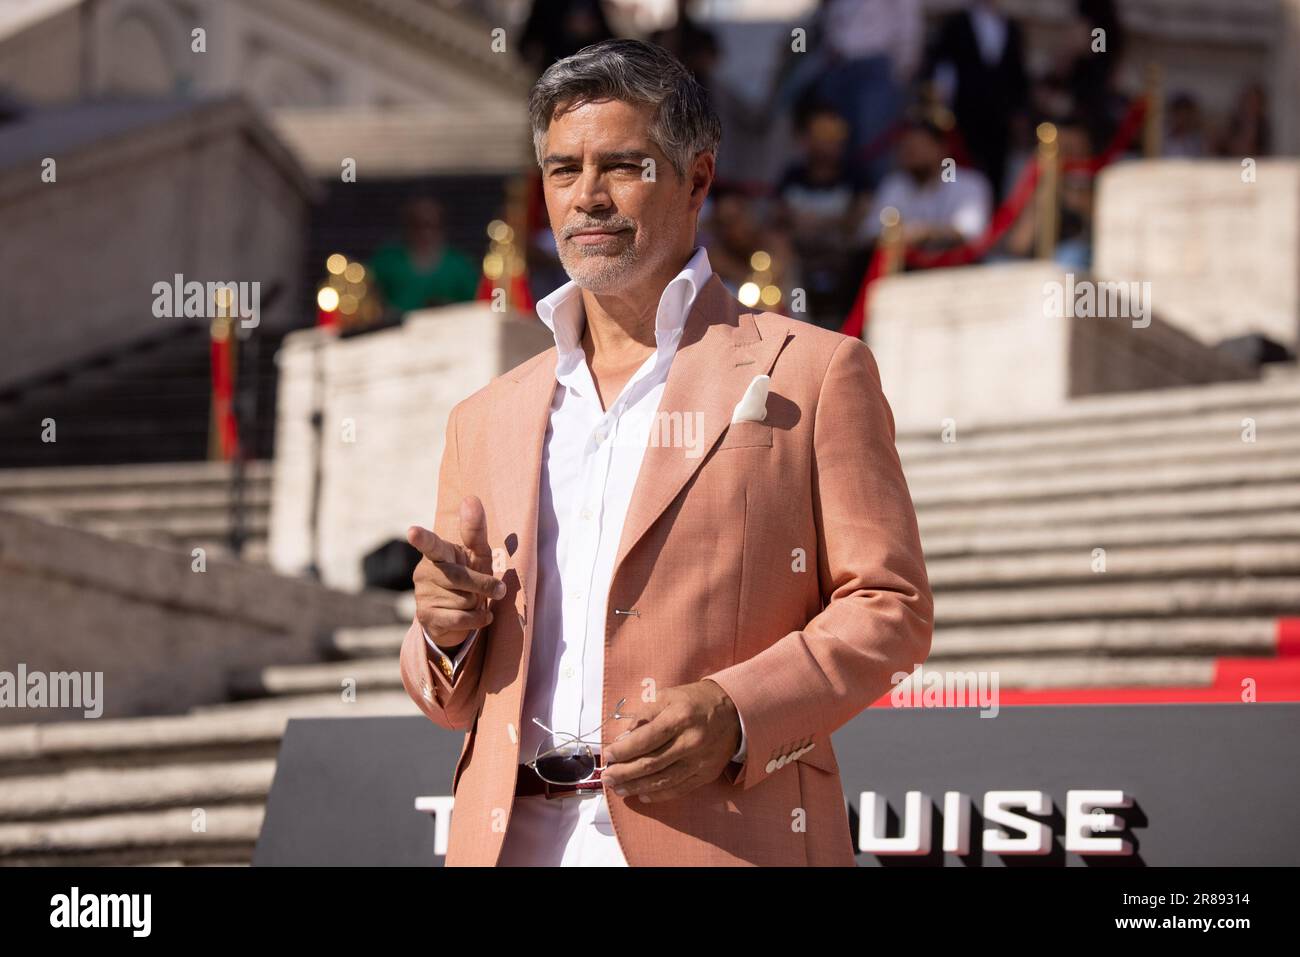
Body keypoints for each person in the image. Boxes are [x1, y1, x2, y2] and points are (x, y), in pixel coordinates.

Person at [398, 38, 932, 867]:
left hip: (724, 838)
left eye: (623, 165)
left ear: (698, 177)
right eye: (563, 169)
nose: (588, 198)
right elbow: (445, 692)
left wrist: (733, 708)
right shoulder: (485, 416)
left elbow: (890, 609)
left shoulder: (818, 372)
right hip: (506, 844)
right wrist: (443, 629)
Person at [858, 115, 992, 252]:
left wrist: (923, 233)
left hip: (958, 267)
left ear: (941, 148)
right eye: (906, 146)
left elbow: (970, 232)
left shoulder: (968, 182)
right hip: (907, 267)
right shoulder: (895, 183)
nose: (911, 152)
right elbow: (870, 233)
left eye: (919, 145)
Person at [367, 197, 479, 315]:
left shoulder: (460, 265)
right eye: (417, 225)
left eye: (432, 226)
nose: (425, 233)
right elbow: (369, 301)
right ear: (406, 226)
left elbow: (475, 307)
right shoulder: (386, 261)